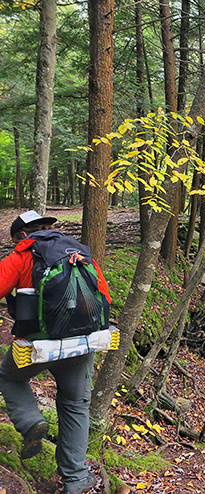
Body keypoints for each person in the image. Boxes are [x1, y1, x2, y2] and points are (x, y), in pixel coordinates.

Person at [0, 210, 111, 494]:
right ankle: (75, 480)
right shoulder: (79, 253)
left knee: (8, 377)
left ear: (23, 234)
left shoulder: (23, 255)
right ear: (48, 227)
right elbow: (105, 299)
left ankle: (31, 421)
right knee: (75, 406)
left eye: (14, 239)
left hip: (38, 345)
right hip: (81, 343)